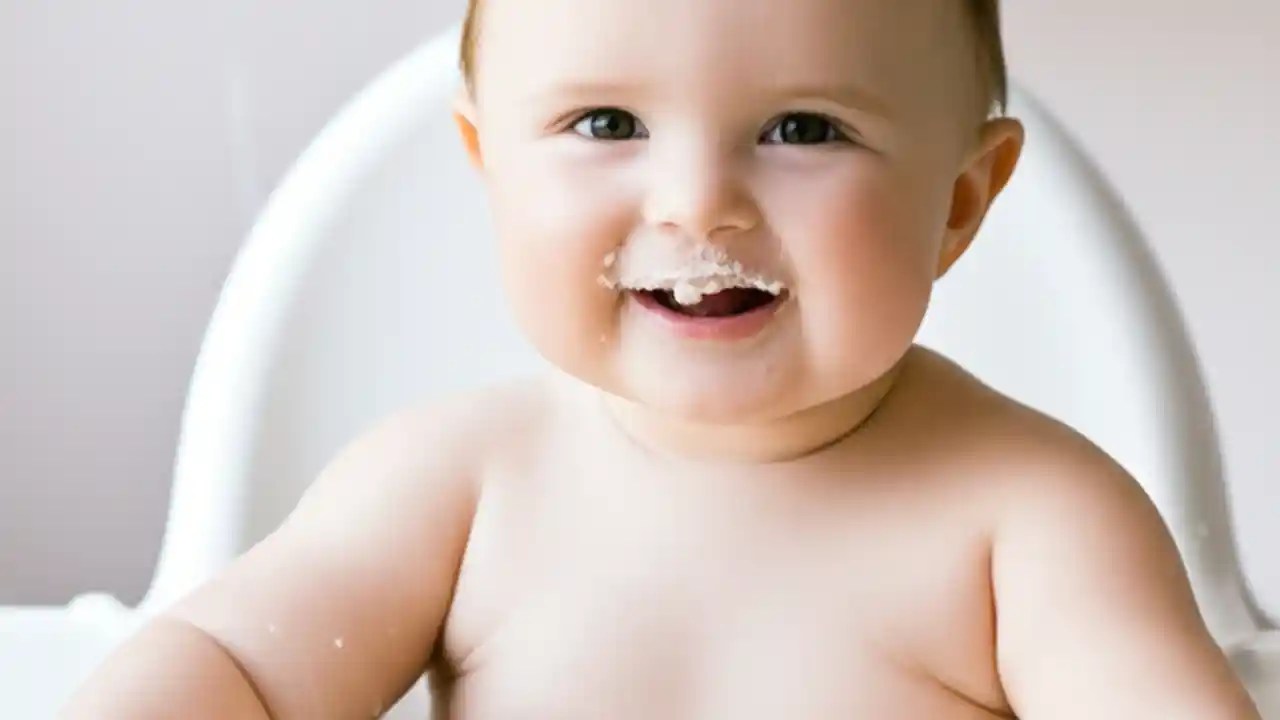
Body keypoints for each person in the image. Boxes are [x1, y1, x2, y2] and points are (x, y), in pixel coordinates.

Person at [63, 0, 1261, 717]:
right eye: (604, 124)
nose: (698, 202)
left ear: (956, 203)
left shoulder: (1031, 521)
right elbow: (239, 670)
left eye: (803, 129)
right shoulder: (456, 489)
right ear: (489, 166)